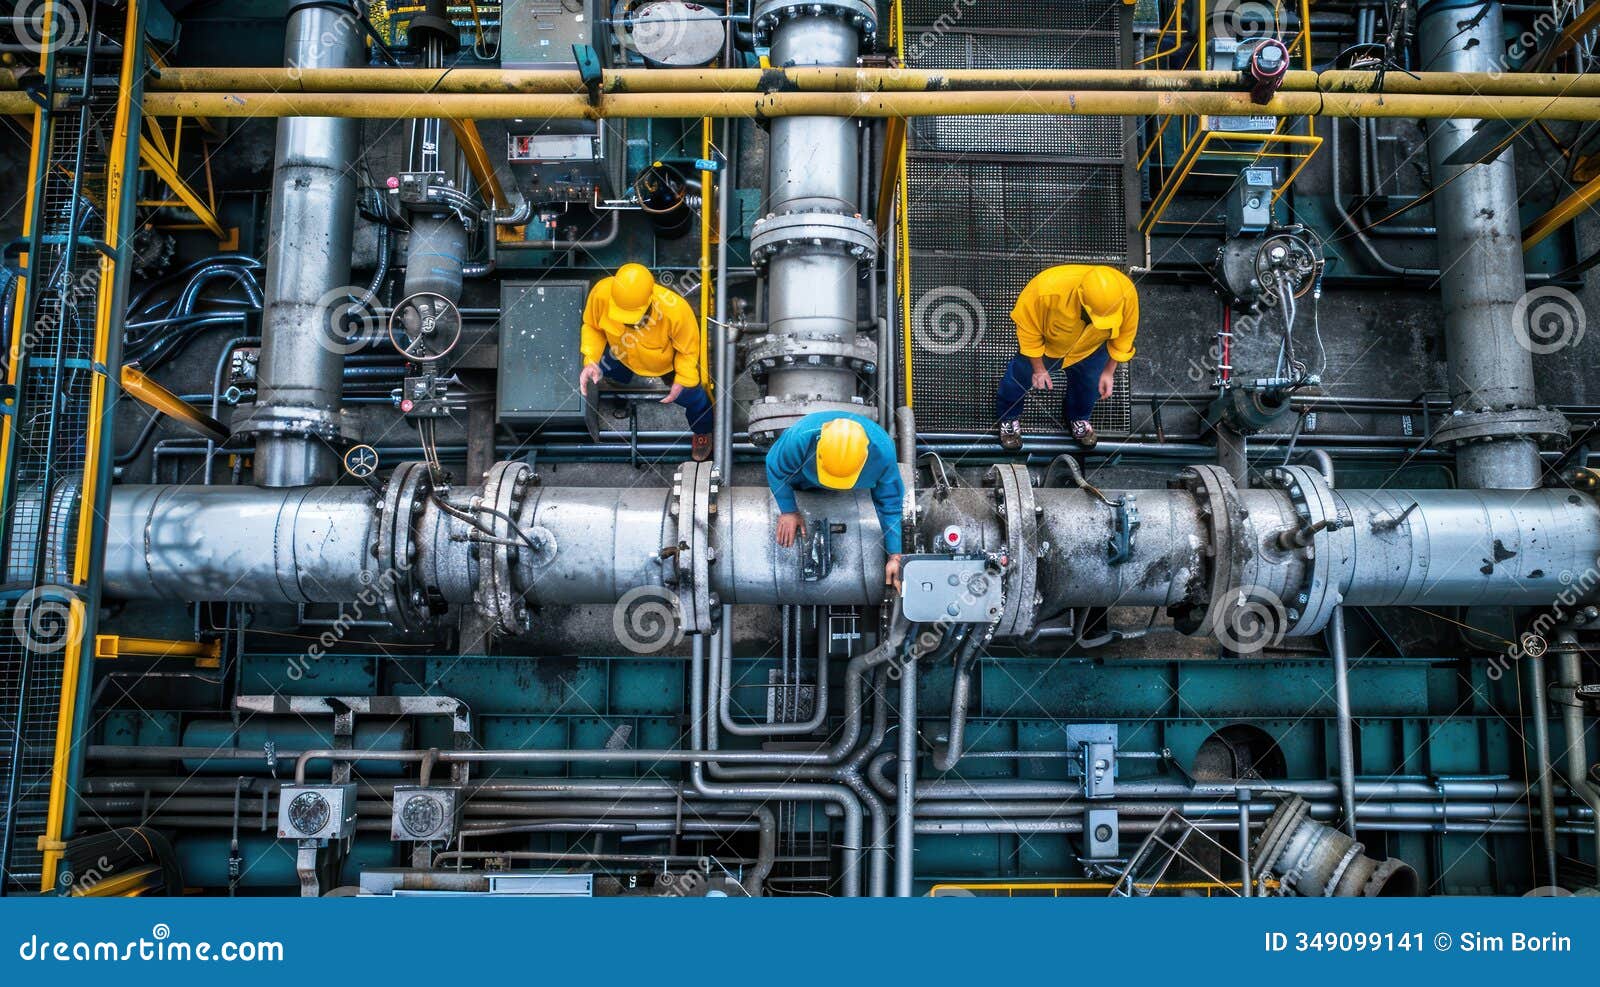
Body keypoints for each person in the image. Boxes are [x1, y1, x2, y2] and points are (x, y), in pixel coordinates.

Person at [994, 264, 1139, 451]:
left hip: (1091, 349)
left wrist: (1108, 372)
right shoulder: (1044, 290)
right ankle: (1008, 418)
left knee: (1088, 388)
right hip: (1048, 348)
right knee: (1017, 380)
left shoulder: (1126, 295)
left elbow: (1124, 337)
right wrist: (1038, 369)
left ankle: (1078, 418)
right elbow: (1029, 332)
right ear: (1080, 298)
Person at [577, 263, 713, 462]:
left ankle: (702, 430)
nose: (627, 323)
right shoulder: (601, 294)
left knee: (694, 397)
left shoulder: (675, 311)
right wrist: (590, 360)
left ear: (650, 301)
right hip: (620, 355)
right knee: (613, 374)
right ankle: (618, 389)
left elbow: (688, 351)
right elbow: (592, 326)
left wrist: (682, 379)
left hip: (666, 365)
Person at [765, 412, 904, 592]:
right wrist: (788, 510)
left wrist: (895, 555)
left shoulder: (883, 453)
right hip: (803, 477)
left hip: (853, 489)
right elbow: (775, 467)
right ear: (819, 446)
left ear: (865, 457)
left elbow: (890, 504)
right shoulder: (800, 438)